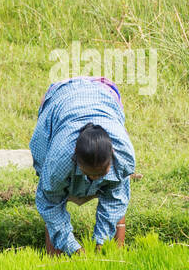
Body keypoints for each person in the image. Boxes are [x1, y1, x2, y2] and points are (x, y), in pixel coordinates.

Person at [29, 76, 135, 256]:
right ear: (76, 160)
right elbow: (49, 202)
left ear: (112, 157)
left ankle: (115, 251)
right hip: (61, 97)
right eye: (90, 174)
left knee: (118, 190)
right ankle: (54, 255)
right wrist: (73, 247)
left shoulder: (123, 155)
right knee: (51, 192)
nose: (96, 179)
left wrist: (100, 242)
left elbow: (116, 199)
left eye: (102, 173)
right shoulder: (58, 161)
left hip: (103, 95)